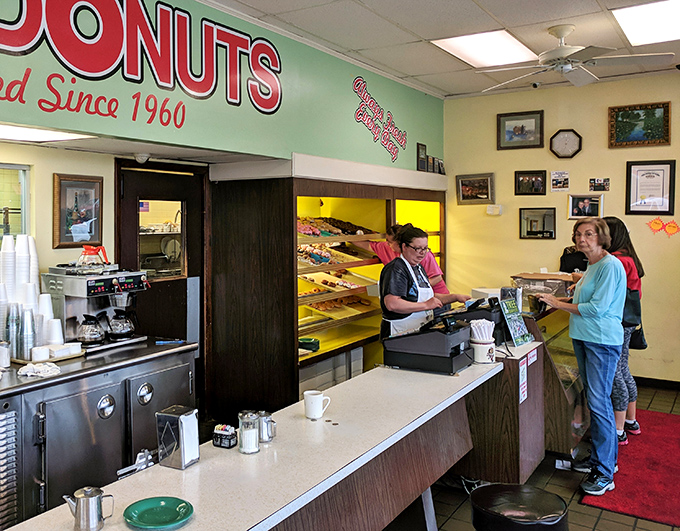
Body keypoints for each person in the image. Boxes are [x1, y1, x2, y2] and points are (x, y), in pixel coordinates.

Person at [537, 218, 626, 496]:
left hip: (600, 340)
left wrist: (557, 303)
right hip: (585, 337)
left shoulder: (610, 265)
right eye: (578, 234)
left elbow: (598, 309)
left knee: (599, 404)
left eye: (588, 234)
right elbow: (590, 297)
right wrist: (576, 291)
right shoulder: (592, 265)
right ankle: (601, 458)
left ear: (602, 237)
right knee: (594, 399)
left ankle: (605, 471)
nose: (581, 238)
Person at [379, 224, 470, 338]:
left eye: (425, 248)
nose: (422, 253)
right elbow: (392, 304)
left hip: (417, 329)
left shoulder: (418, 267)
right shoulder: (396, 269)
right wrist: (426, 305)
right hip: (399, 332)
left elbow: (426, 296)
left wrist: (455, 297)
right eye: (417, 248)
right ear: (404, 247)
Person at [604, 216, 644, 445]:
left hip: (618, 322)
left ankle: (618, 430)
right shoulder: (630, 257)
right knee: (623, 368)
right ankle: (631, 420)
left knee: (616, 374)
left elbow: (609, 292)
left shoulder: (617, 260)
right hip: (629, 321)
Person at [354, 224, 450, 294]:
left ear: (401, 243)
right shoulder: (387, 248)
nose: (387, 244)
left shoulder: (421, 254)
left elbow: (437, 278)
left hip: (436, 297)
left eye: (390, 242)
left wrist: (414, 290)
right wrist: (342, 236)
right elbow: (366, 245)